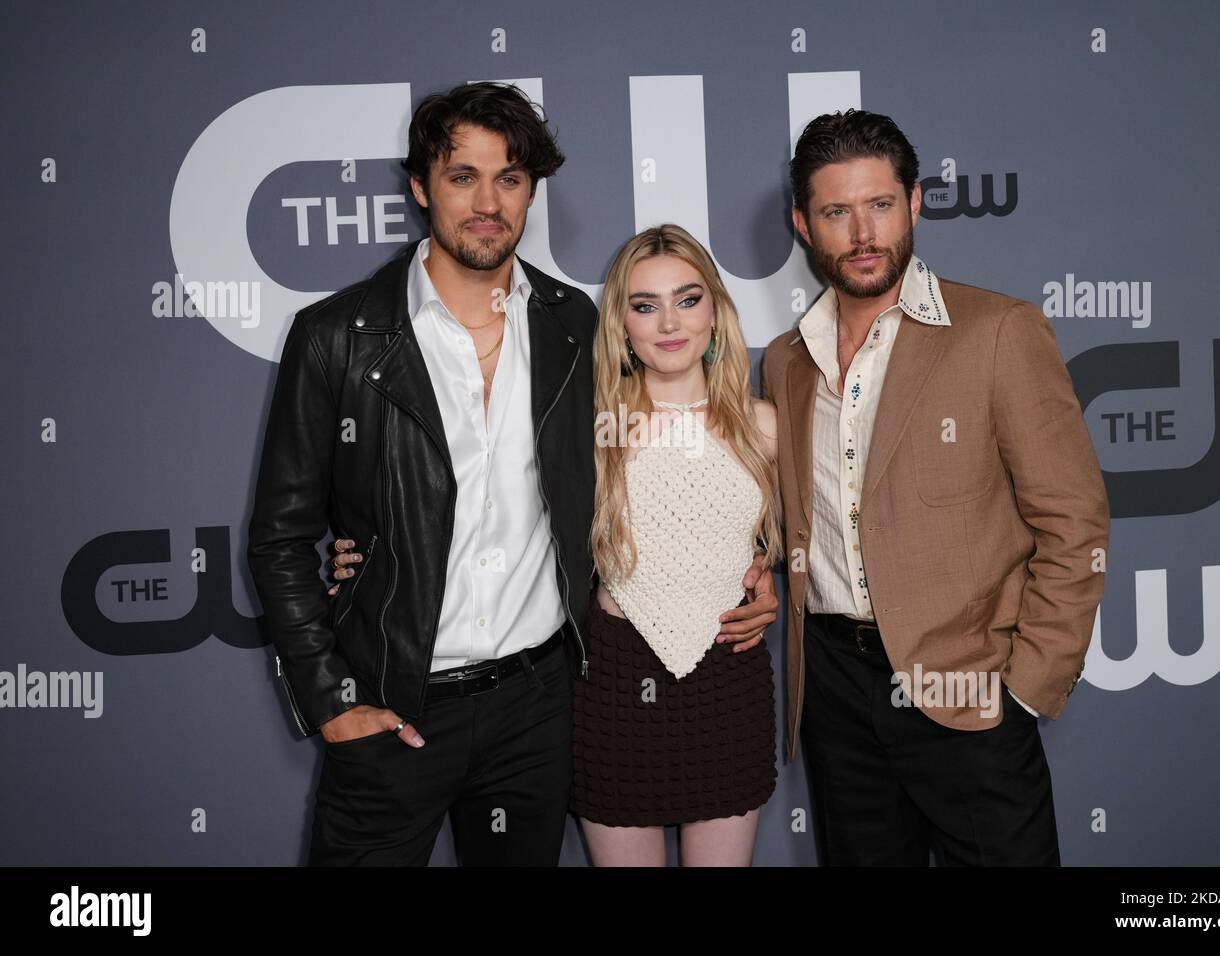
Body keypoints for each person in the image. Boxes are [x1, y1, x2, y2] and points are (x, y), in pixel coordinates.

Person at [248, 81, 777, 867]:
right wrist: (332, 703)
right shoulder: (338, 337)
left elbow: (667, 479)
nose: (488, 201)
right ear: (422, 188)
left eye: (511, 178)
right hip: (395, 705)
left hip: (539, 711)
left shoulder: (574, 328)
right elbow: (280, 539)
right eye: (463, 176)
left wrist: (754, 570)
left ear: (532, 191)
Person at [761, 109, 1110, 865]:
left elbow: (1074, 521)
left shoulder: (997, 331)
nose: (861, 234)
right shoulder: (788, 360)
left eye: (880, 205)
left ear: (914, 203)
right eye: (836, 212)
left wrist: (1023, 689)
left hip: (968, 692)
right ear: (802, 224)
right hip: (835, 694)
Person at [573, 224, 781, 866]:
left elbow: (808, 539)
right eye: (645, 305)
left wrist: (766, 573)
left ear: (715, 312)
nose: (669, 322)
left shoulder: (763, 425)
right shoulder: (592, 426)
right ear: (622, 323)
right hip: (614, 684)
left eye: (688, 300)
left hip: (727, 679)